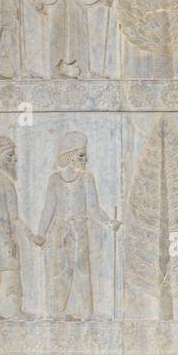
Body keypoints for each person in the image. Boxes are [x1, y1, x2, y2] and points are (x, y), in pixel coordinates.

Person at [34, 131, 118, 321]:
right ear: (70, 157)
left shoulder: (87, 178)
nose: (85, 159)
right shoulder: (54, 179)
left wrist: (109, 222)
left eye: (85, 155)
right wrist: (41, 233)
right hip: (59, 231)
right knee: (60, 271)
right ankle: (56, 312)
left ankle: (87, 314)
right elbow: (49, 208)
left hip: (80, 230)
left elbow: (94, 209)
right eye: (81, 155)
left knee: (81, 270)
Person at [0, 136, 39, 321]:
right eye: (10, 155)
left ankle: (11, 310)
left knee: (9, 270)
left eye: (14, 155)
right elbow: (0, 215)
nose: (14, 160)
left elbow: (14, 217)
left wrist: (30, 235)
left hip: (5, 231)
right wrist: (7, 240)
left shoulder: (4, 178)